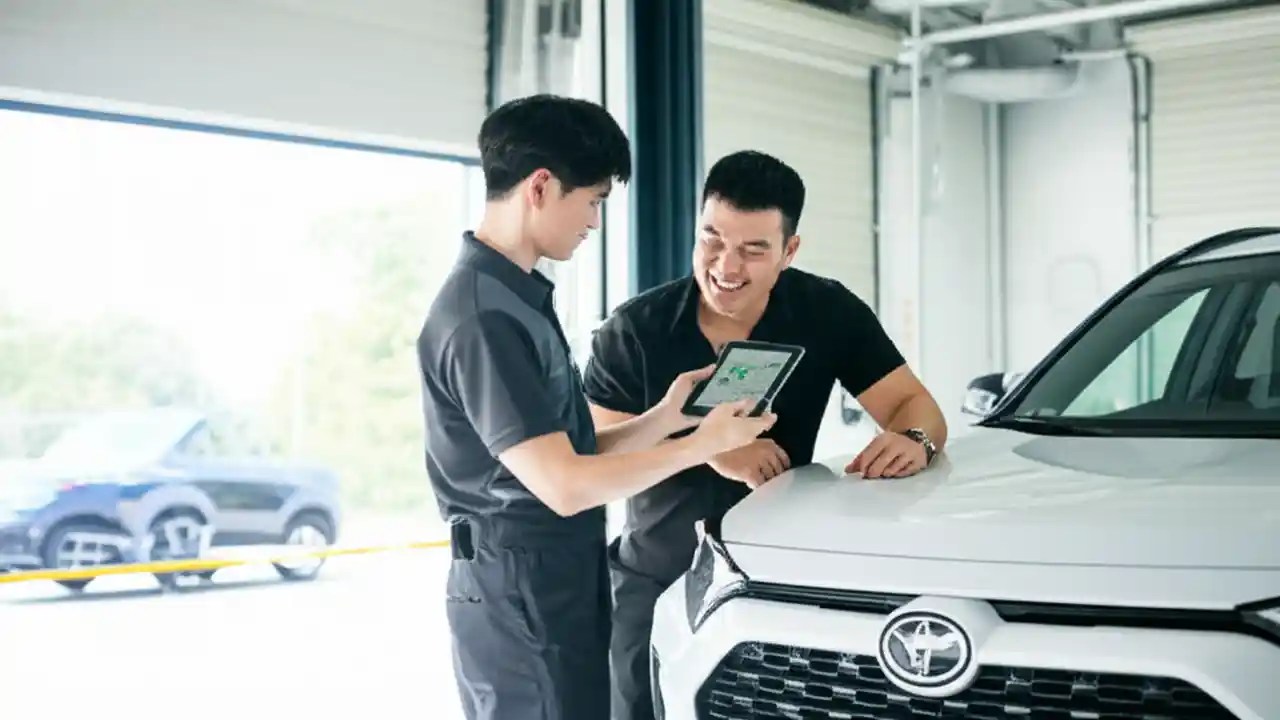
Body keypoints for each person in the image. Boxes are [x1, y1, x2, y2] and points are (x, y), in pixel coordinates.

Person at [415, 97, 777, 720]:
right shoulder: (484, 317)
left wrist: (665, 419)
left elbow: (566, 452)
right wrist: (701, 447)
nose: (595, 223)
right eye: (593, 201)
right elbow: (563, 486)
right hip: (517, 587)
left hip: (552, 577)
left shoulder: (515, 297)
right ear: (540, 187)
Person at [582, 149, 948, 720]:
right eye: (712, 240)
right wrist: (713, 450)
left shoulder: (828, 311)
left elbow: (913, 404)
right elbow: (599, 460)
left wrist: (915, 441)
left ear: (789, 250)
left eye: (754, 250)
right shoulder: (633, 331)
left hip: (785, 584)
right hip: (655, 580)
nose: (727, 266)